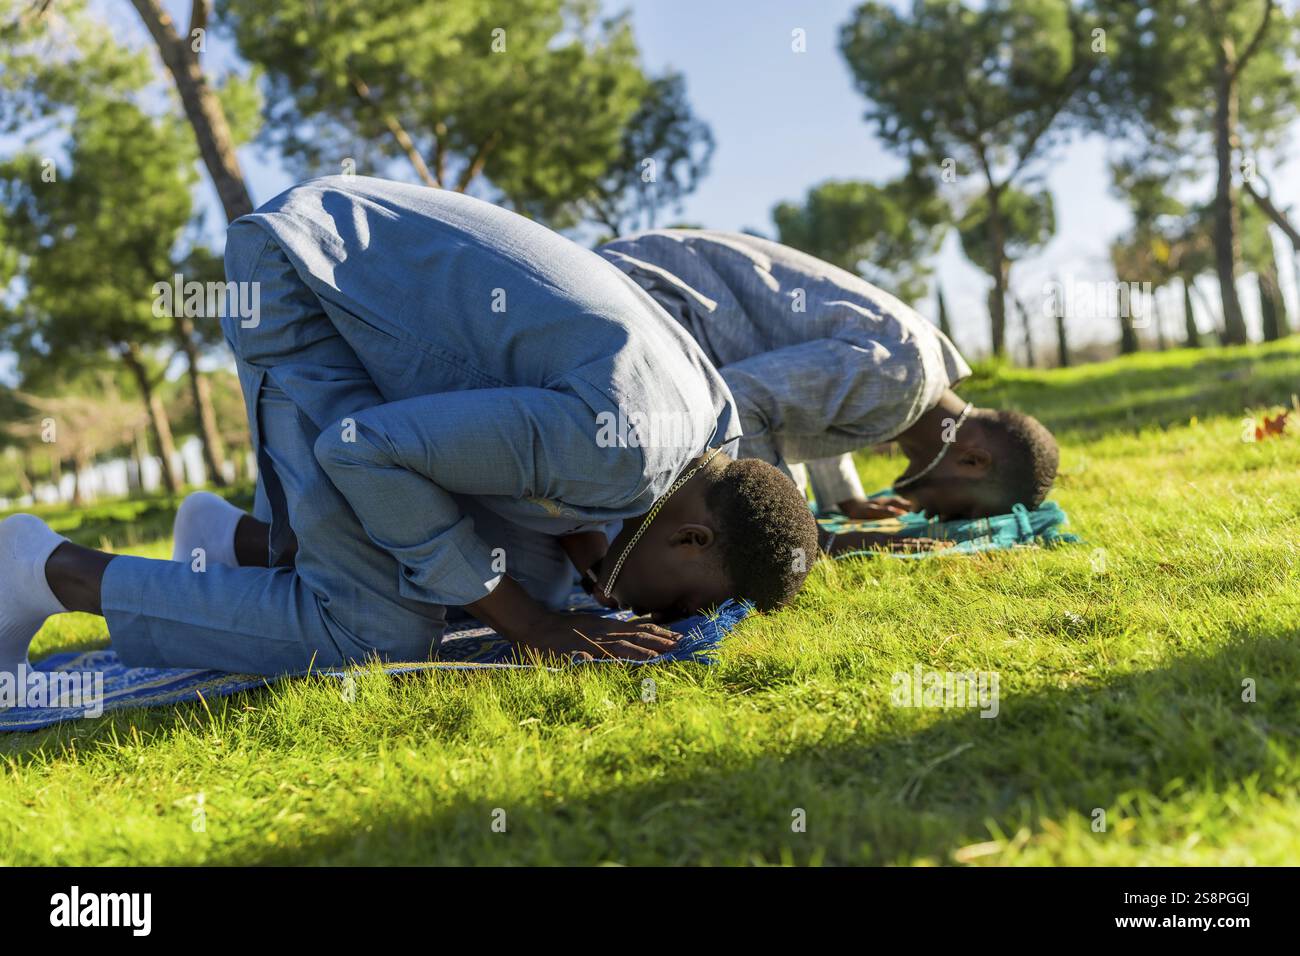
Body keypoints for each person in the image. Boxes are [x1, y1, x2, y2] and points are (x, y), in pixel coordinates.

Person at [0, 177, 818, 679]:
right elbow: (361, 452)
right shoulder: (629, 450)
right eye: (679, 606)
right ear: (695, 543)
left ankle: (230, 540)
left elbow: (531, 429)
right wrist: (529, 626)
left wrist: (564, 562)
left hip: (347, 263)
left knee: (499, 580)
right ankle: (47, 568)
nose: (662, 620)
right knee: (377, 631)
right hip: (305, 284)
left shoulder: (710, 431)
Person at [597, 230, 1059, 540]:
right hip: (643, 293)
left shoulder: (911, 378)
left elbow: (813, 401)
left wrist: (846, 501)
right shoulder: (899, 372)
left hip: (647, 288)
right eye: (961, 514)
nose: (939, 520)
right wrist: (807, 533)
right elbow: (740, 397)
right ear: (973, 459)